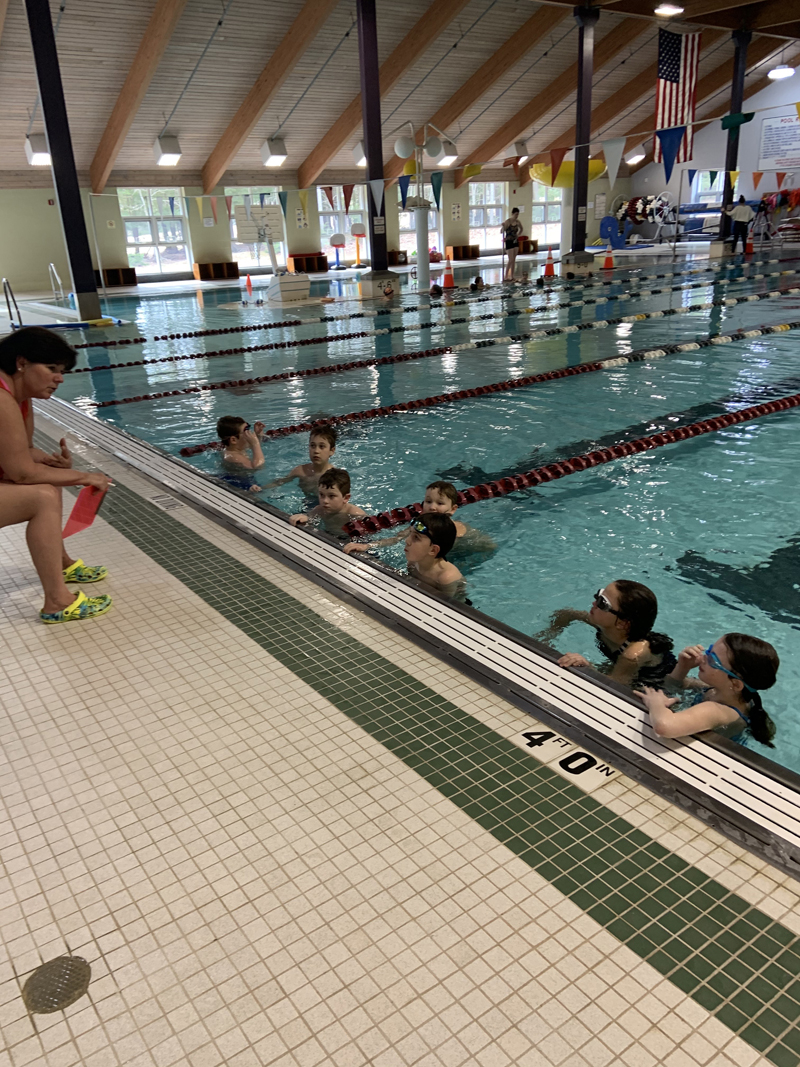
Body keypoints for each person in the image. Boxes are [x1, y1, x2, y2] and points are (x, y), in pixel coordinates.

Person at [0, 327, 112, 624]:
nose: (59, 378)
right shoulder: (1, 399)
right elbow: (22, 474)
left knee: (48, 481)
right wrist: (84, 476)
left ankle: (61, 564)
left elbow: (21, 452)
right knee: (43, 495)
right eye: (51, 369)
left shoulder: (18, 395)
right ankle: (57, 602)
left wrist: (49, 462)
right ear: (22, 363)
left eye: (61, 371)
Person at [640, 633, 778, 747]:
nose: (704, 657)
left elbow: (664, 727)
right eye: (710, 650)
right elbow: (673, 685)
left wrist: (655, 704)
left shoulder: (718, 711)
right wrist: (683, 667)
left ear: (736, 684)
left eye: (713, 660)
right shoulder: (720, 691)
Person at [536, 580, 676, 688]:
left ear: (623, 623)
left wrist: (588, 667)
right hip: (621, 665)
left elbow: (617, 685)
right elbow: (566, 614)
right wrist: (549, 634)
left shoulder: (633, 655)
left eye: (602, 603)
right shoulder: (604, 624)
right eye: (599, 595)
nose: (594, 602)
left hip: (653, 681)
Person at [343, 480, 496, 564]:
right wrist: (367, 545)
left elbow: (487, 546)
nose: (433, 507)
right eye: (428, 501)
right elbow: (395, 539)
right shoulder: (418, 525)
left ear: (453, 509)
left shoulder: (455, 531)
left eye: (440, 503)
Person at [289, 467, 365, 537]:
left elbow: (375, 537)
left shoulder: (355, 515)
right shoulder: (320, 510)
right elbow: (309, 518)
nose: (325, 501)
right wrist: (303, 517)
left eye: (331, 496)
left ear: (345, 498)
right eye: (321, 494)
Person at [403, 514, 464, 599]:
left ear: (433, 550)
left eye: (416, 537)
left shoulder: (446, 577)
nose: (407, 540)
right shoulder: (412, 564)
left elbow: (446, 606)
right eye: (410, 533)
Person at [266, 427, 337, 497]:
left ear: (332, 451)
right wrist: (260, 489)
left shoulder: (334, 477)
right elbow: (279, 482)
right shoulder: (300, 471)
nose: (316, 451)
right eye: (312, 446)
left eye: (321, 446)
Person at [216, 415, 264, 492]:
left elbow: (254, 450)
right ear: (233, 440)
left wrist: (258, 436)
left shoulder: (236, 449)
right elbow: (257, 466)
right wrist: (255, 444)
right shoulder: (233, 456)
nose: (249, 434)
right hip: (241, 484)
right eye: (246, 431)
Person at [501, 207, 523, 280]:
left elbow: (521, 229)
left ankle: (512, 276)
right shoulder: (508, 221)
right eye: (516, 214)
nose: (517, 216)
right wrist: (503, 226)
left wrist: (518, 234)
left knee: (514, 259)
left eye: (518, 214)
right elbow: (501, 231)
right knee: (510, 260)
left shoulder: (517, 222)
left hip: (515, 241)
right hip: (509, 241)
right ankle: (506, 275)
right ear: (512, 214)